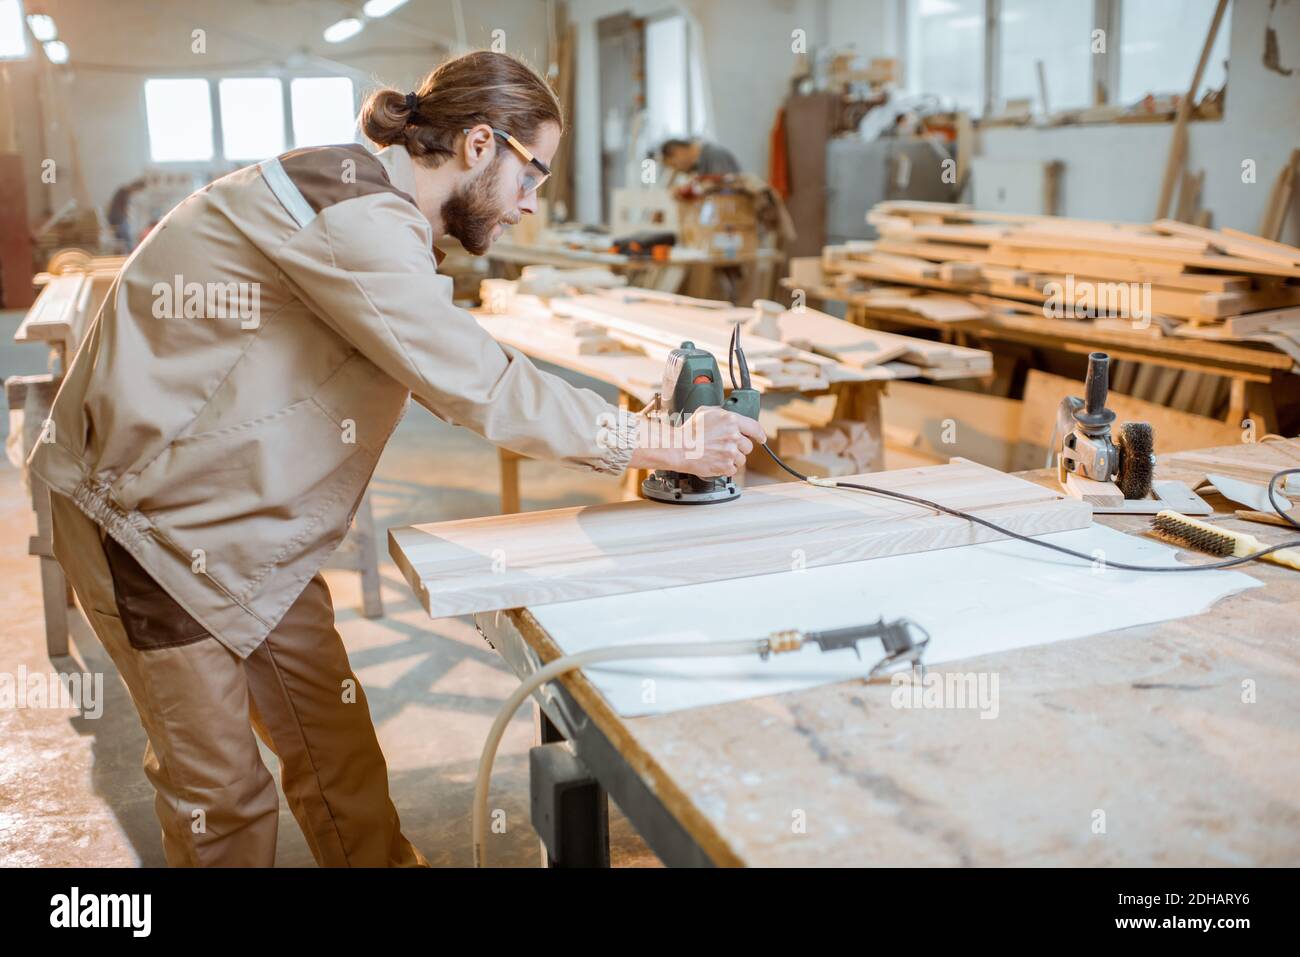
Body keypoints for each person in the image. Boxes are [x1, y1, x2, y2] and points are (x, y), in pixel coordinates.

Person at [30, 49, 763, 867]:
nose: (529, 205)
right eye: (533, 176)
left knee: (336, 751)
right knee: (224, 799)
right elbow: (477, 381)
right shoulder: (354, 216)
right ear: (479, 145)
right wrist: (663, 439)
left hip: (246, 530)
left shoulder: (373, 207)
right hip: (149, 530)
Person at [660, 137, 741, 176]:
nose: (677, 170)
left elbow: (723, 187)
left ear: (679, 151)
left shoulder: (714, 155)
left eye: (674, 165)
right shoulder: (700, 164)